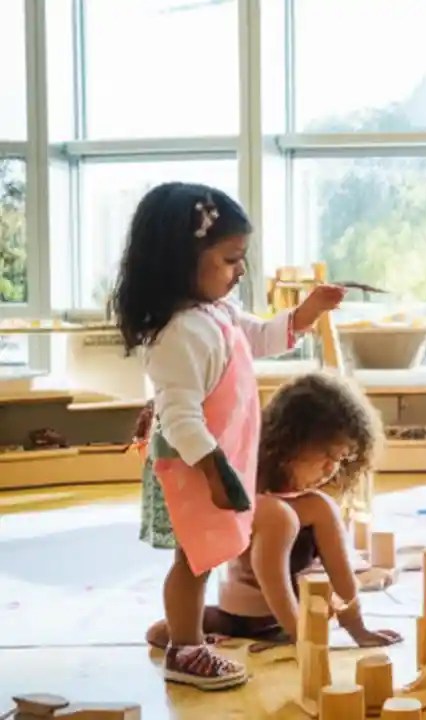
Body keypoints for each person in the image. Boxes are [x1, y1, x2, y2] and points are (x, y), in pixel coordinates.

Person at [112, 182, 344, 689]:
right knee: (193, 559)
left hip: (215, 462)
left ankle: (186, 634)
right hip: (192, 467)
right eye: (230, 259)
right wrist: (215, 471)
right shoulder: (179, 333)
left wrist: (306, 314)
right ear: (181, 260)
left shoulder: (215, 313)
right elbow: (179, 416)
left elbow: (257, 336)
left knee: (204, 554)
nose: (240, 270)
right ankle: (186, 649)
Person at [143, 372, 401, 651]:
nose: (331, 470)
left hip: (286, 619)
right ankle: (228, 639)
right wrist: (302, 638)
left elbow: (343, 579)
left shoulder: (317, 507)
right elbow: (270, 576)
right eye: (326, 456)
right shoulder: (252, 495)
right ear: (291, 442)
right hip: (238, 616)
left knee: (301, 513)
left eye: (339, 460)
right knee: (159, 633)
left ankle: (278, 632)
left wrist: (358, 630)